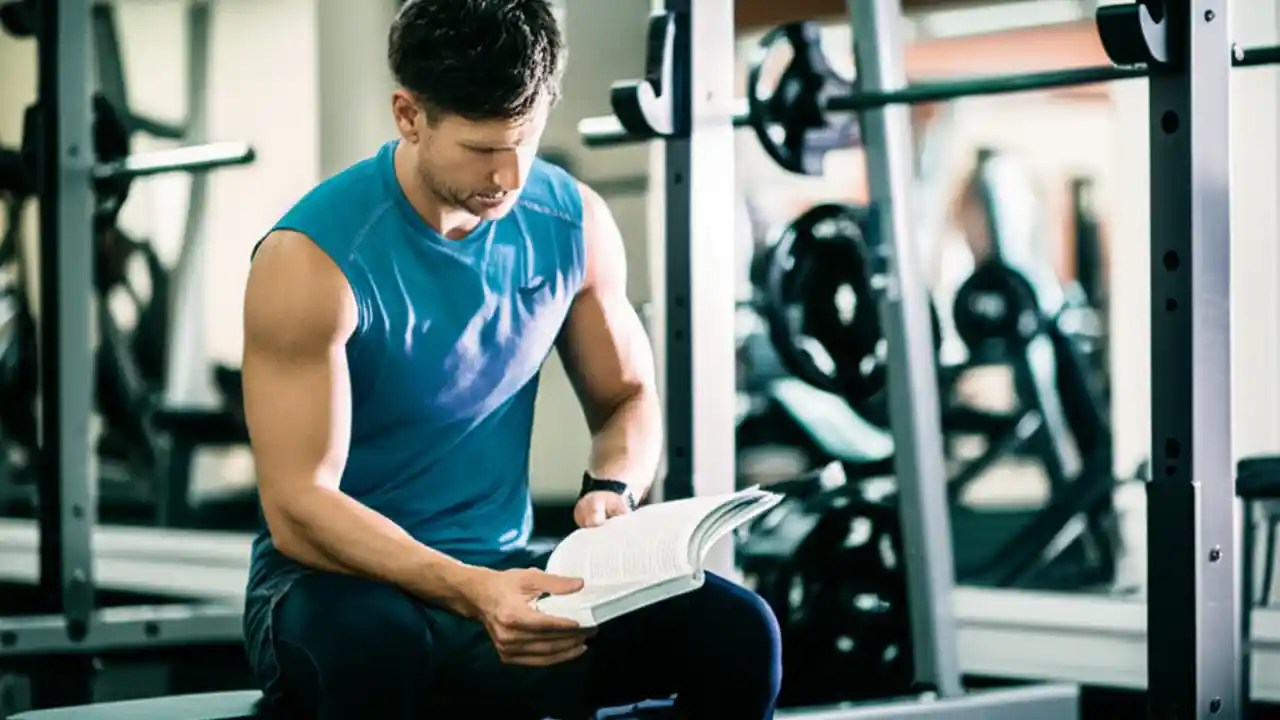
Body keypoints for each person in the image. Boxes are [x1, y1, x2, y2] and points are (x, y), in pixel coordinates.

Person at [238, 1, 782, 718]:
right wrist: (471, 590)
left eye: (524, 142)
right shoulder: (311, 260)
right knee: (373, 645)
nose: (508, 175)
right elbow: (299, 508)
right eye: (480, 148)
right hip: (335, 585)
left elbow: (626, 397)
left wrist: (614, 486)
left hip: (505, 568)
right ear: (409, 116)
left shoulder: (573, 222)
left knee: (737, 631)